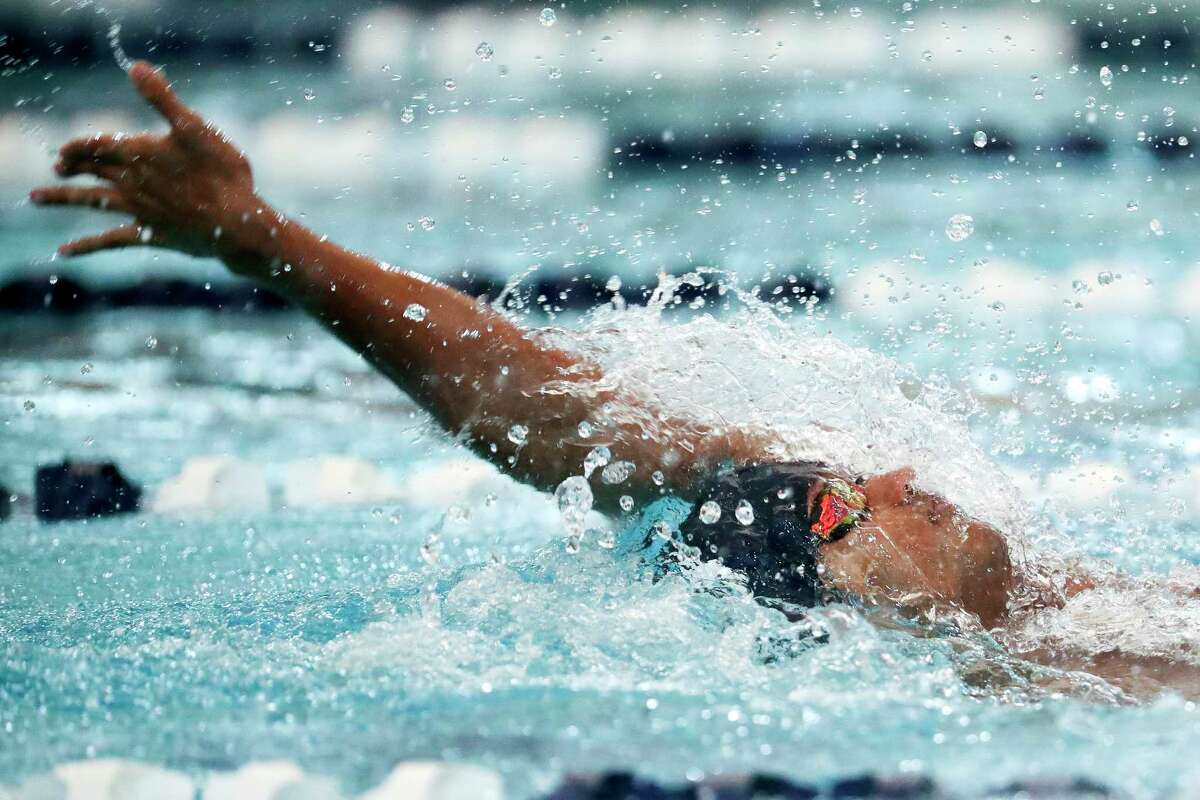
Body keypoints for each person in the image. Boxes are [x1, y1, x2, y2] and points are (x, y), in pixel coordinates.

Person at [35, 63, 1184, 695]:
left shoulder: (1068, 605)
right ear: (841, 622)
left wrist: (269, 240)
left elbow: (544, 407)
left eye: (846, 477)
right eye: (838, 509)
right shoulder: (1063, 679)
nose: (892, 475)